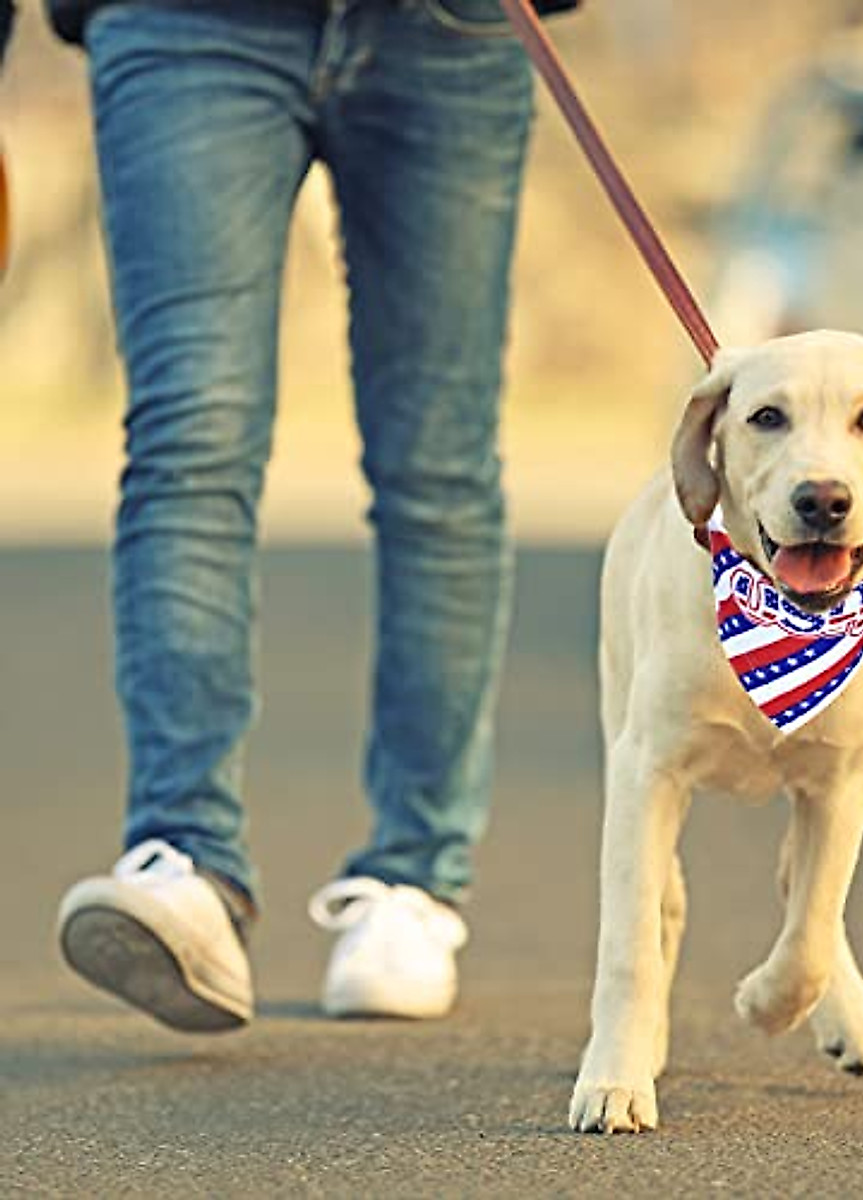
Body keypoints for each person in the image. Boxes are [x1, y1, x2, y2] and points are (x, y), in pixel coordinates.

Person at [36, 0, 576, 1032]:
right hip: (183, 21)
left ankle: (413, 886)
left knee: (439, 465)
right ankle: (182, 862)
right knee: (189, 435)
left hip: (450, 27)